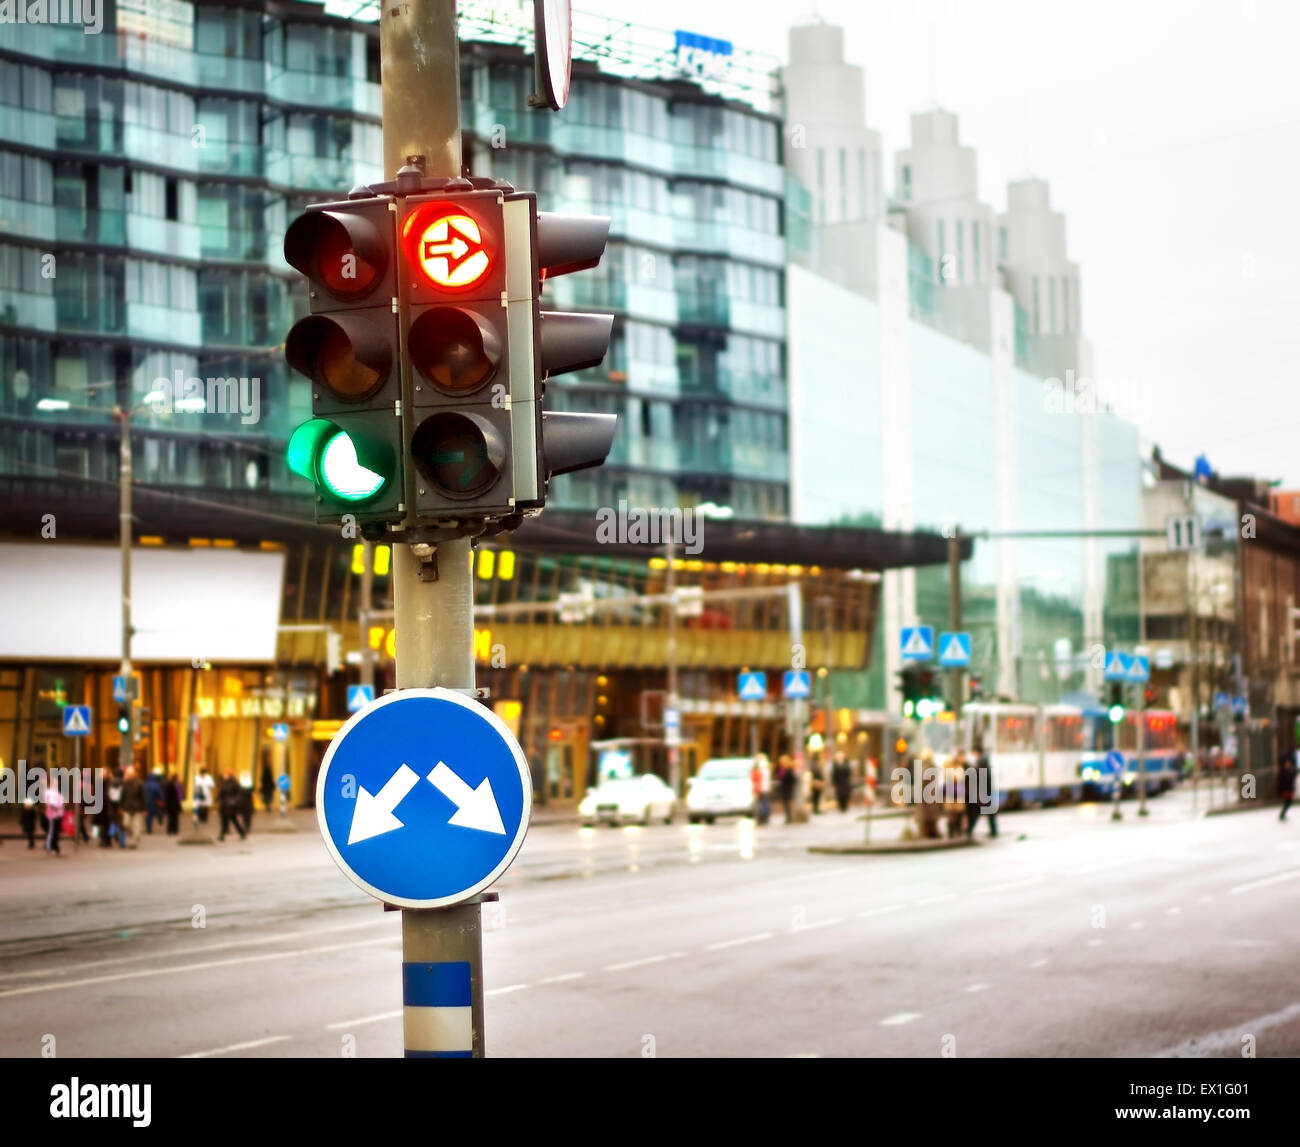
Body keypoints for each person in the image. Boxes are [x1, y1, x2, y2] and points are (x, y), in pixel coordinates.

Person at [974, 743, 998, 837]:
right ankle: (993, 830)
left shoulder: (981, 761)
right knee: (988, 811)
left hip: (983, 791)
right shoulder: (985, 759)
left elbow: (977, 775)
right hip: (986, 790)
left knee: (977, 811)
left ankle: (969, 830)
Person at [120, 766, 146, 849]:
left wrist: (144, 808)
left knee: (136, 826)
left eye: (130, 773)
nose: (128, 775)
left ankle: (133, 842)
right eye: (127, 773)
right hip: (127, 808)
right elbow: (122, 796)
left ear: (134, 774)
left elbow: (143, 797)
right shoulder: (124, 784)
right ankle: (133, 837)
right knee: (126, 824)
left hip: (137, 808)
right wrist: (120, 807)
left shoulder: (139, 783)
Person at [218, 769, 247, 841]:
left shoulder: (234, 783)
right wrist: (218, 799)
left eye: (226, 774)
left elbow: (239, 793)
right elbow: (222, 793)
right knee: (227, 820)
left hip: (231, 805)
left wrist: (235, 801)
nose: (225, 775)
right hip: (225, 805)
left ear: (229, 775)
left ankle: (223, 835)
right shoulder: (225, 783)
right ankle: (240, 833)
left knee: (231, 820)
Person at [43, 777, 65, 856]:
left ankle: (54, 846)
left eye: (57, 783)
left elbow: (61, 802)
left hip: (58, 815)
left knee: (56, 832)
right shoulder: (48, 792)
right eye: (54, 783)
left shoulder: (57, 792)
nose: (56, 784)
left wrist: (61, 807)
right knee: (51, 832)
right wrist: (58, 806)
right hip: (52, 815)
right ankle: (49, 847)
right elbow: (50, 803)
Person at [750, 755, 772, 825]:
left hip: (761, 788)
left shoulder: (761, 767)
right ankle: (764, 816)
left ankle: (763, 817)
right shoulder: (765, 767)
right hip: (762, 788)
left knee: (762, 803)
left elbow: (760, 779)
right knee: (764, 802)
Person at [777, 754, 797, 824]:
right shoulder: (782, 770)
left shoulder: (789, 770)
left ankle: (789, 817)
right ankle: (787, 817)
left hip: (787, 789)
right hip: (783, 789)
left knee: (788, 804)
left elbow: (792, 780)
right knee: (785, 804)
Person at [143, 770, 163, 835]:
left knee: (147, 815)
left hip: (145, 802)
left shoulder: (144, 784)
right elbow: (159, 793)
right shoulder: (155, 785)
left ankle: (148, 827)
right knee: (150, 815)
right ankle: (149, 828)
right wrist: (160, 798)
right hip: (152, 801)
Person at [1279, 750, 1296, 822]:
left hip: (1289, 789)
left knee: (1288, 802)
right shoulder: (1283, 771)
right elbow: (1280, 782)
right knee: (1288, 802)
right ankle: (1282, 814)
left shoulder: (1290, 771)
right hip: (1285, 789)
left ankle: (1282, 814)